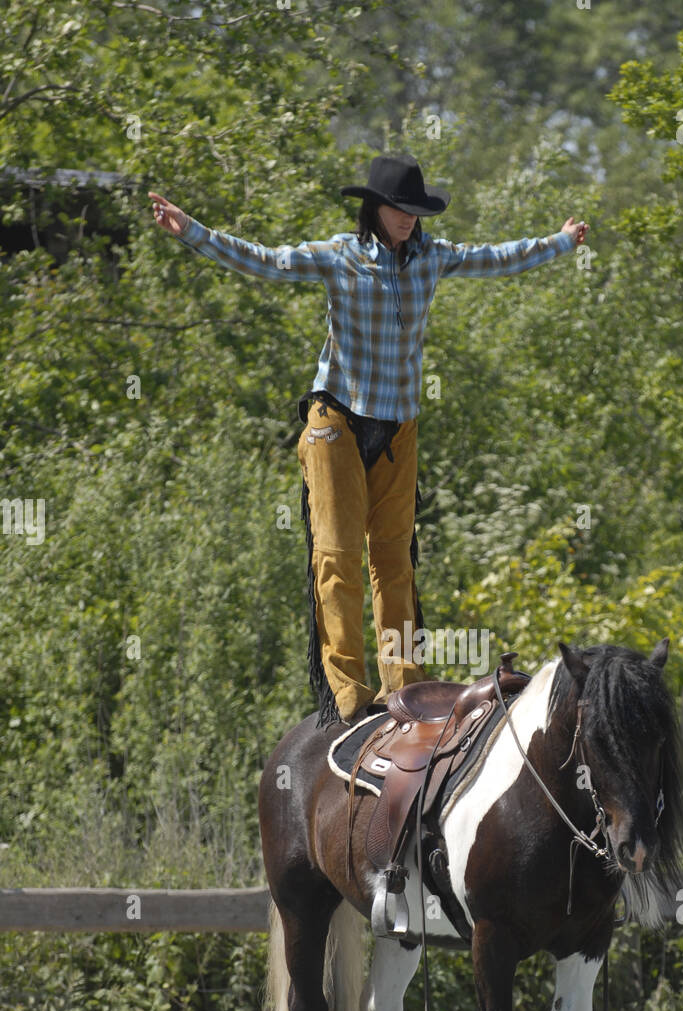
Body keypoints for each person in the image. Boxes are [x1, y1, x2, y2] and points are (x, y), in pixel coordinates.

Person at [149, 154, 588, 725]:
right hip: (336, 422)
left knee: (395, 562)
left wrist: (558, 242)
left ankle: (403, 685)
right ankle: (348, 694)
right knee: (337, 557)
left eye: (415, 211)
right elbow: (266, 261)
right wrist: (194, 233)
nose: (407, 220)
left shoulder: (433, 259)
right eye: (398, 209)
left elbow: (496, 258)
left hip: (398, 428)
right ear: (374, 209)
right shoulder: (341, 256)